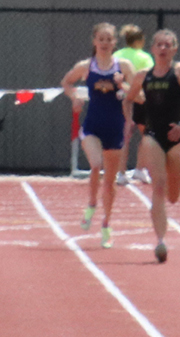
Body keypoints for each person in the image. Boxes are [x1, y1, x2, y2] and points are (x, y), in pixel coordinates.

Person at [123, 29, 180, 263]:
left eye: (167, 45)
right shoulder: (143, 75)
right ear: (152, 49)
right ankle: (160, 241)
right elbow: (129, 99)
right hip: (153, 136)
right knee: (158, 187)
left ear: (174, 49)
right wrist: (129, 121)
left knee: (173, 194)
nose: (162, 49)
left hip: (179, 138)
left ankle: (172, 194)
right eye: (158, 44)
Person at [60, 24, 136, 249]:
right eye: (101, 39)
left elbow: (138, 91)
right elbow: (66, 82)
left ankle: (106, 224)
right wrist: (74, 96)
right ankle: (92, 204)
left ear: (114, 43)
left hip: (115, 126)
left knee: (110, 182)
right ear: (94, 41)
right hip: (92, 125)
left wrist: (125, 86)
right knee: (95, 165)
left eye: (109, 39)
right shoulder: (86, 66)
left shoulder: (124, 65)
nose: (104, 43)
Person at [117, 26, 153, 181]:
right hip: (140, 98)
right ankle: (140, 168)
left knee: (123, 136)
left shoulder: (116, 55)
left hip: (120, 97)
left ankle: (121, 173)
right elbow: (150, 77)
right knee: (147, 134)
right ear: (139, 40)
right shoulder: (144, 57)